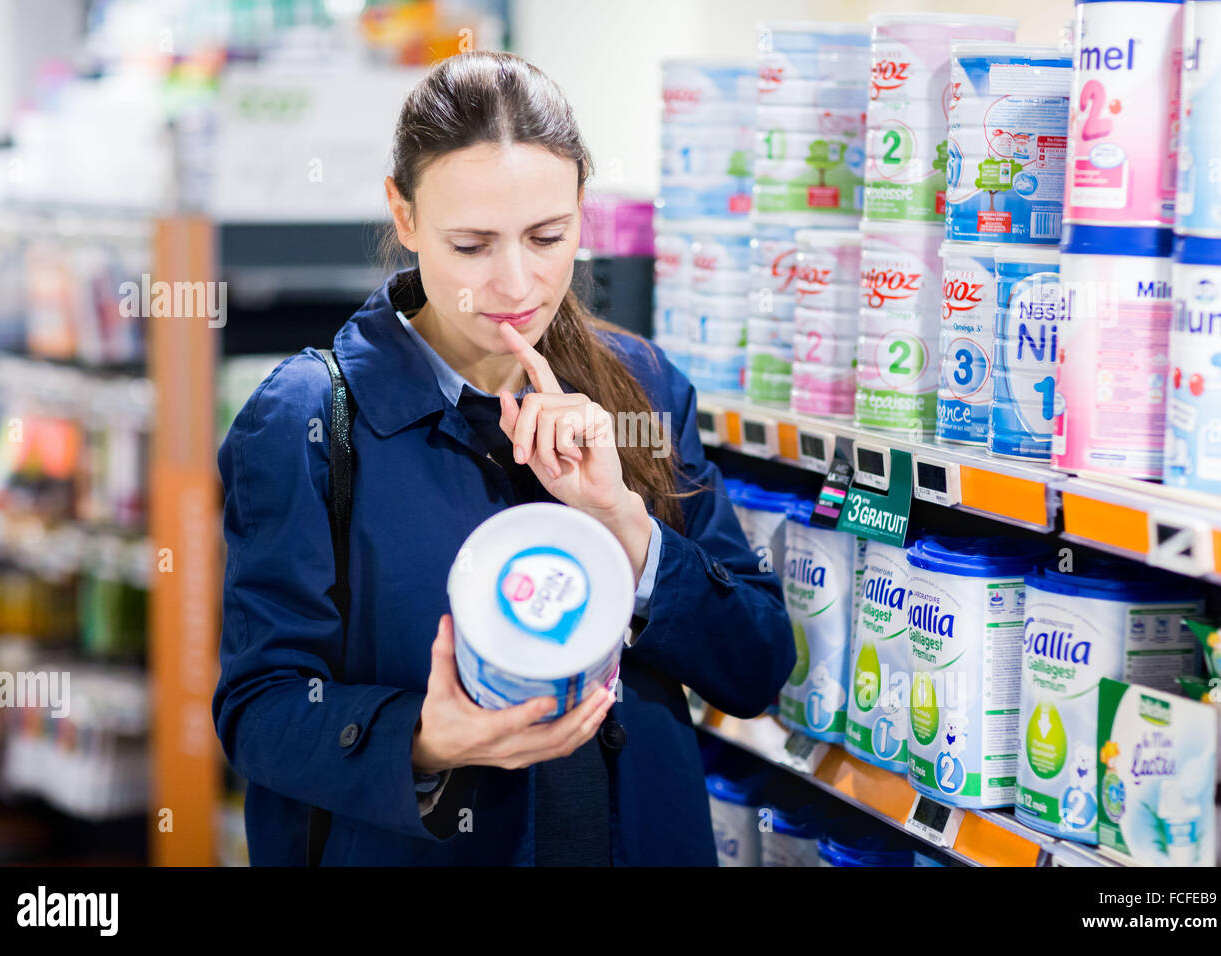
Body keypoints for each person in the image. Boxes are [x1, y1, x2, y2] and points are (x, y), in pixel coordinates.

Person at [212, 49, 795, 866]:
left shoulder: (644, 389)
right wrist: (424, 738)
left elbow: (756, 666)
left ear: (582, 212)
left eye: (547, 236)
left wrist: (622, 522)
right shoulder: (308, 420)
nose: (516, 282)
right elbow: (259, 710)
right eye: (472, 245)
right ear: (404, 216)